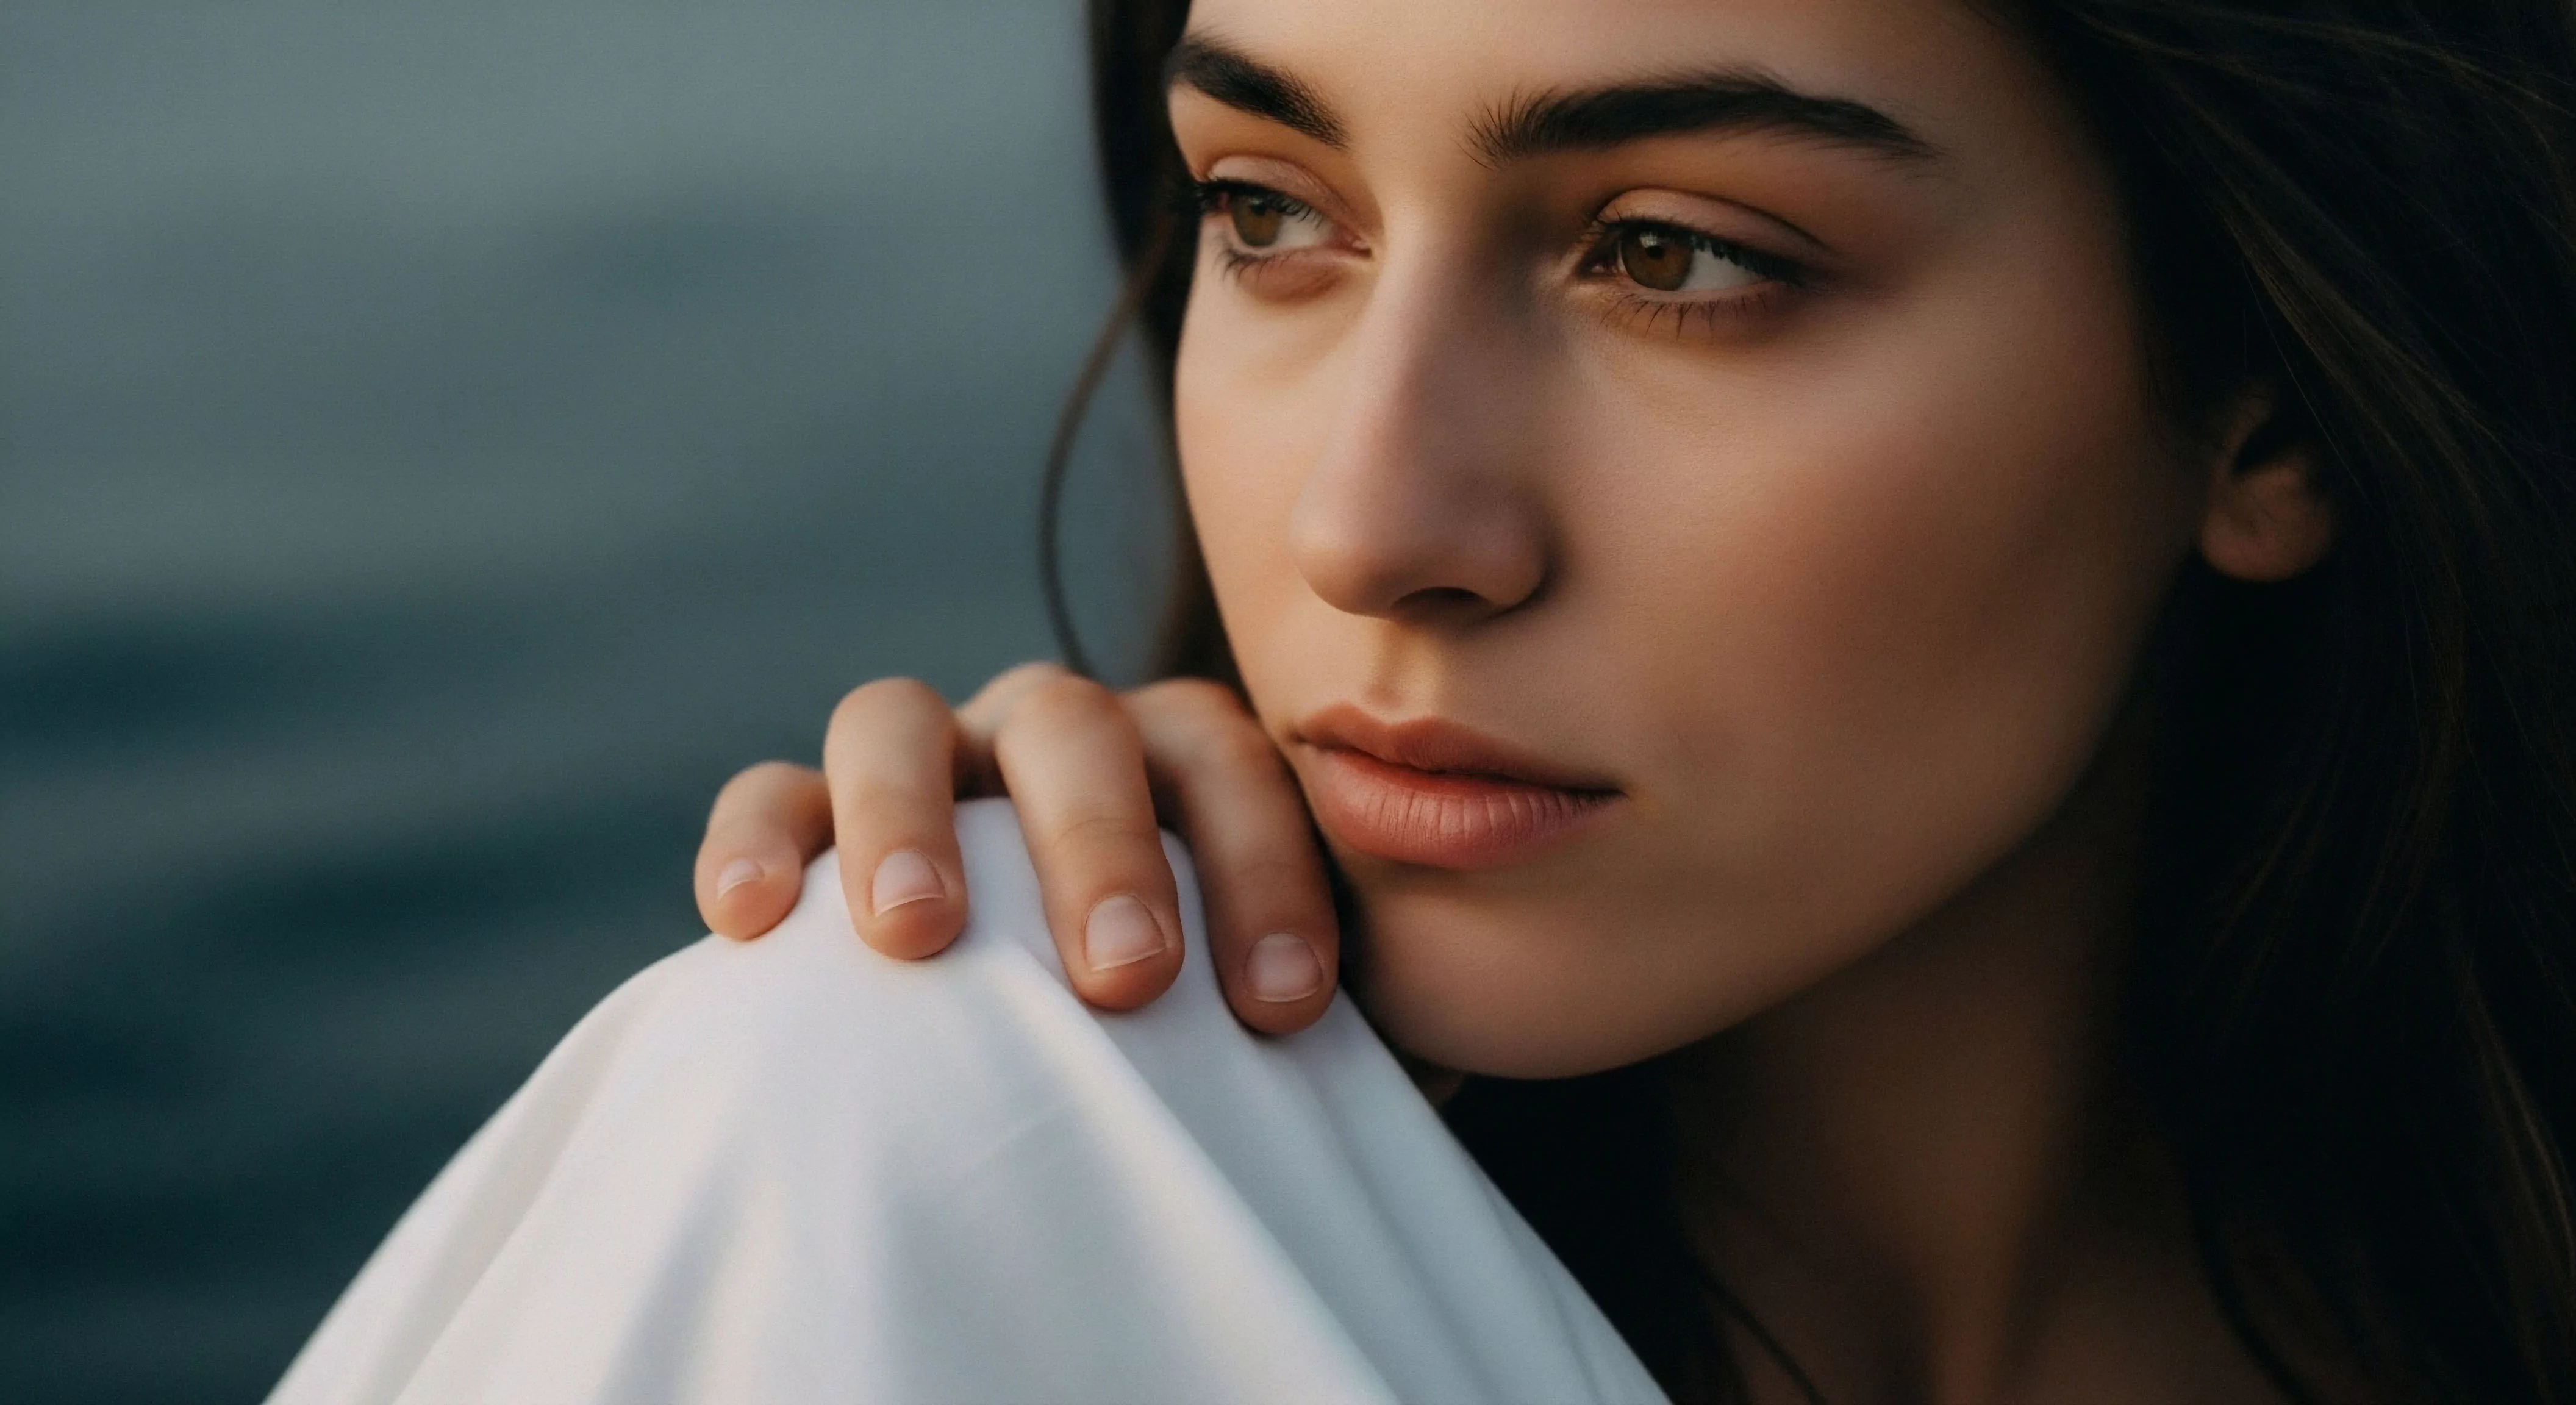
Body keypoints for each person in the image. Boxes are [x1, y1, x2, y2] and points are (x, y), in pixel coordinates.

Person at [307, 1, 2576, 1401]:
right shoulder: (901, 1110)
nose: (1370, 526)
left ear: (2275, 402)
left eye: (1674, 253)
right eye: (1272, 214)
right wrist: (1011, 1085)